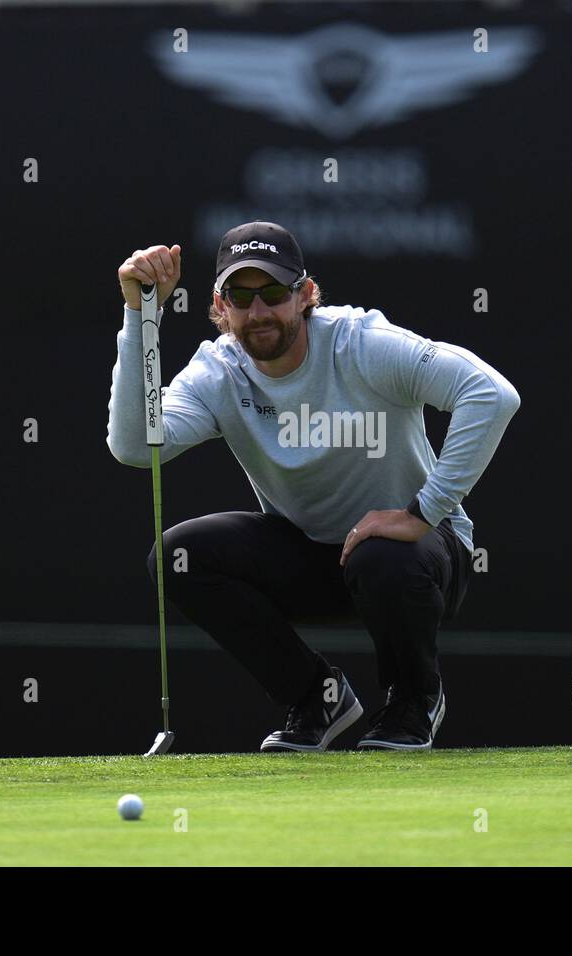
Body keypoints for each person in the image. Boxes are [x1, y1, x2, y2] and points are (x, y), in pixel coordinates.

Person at [108, 221, 519, 751]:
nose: (258, 313)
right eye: (241, 296)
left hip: (417, 560)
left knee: (382, 554)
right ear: (219, 304)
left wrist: (422, 512)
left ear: (305, 296)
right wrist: (141, 314)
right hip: (313, 559)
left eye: (274, 294)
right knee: (178, 555)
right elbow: (136, 447)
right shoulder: (220, 370)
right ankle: (317, 697)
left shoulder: (361, 344)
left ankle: (414, 700)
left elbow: (491, 394)